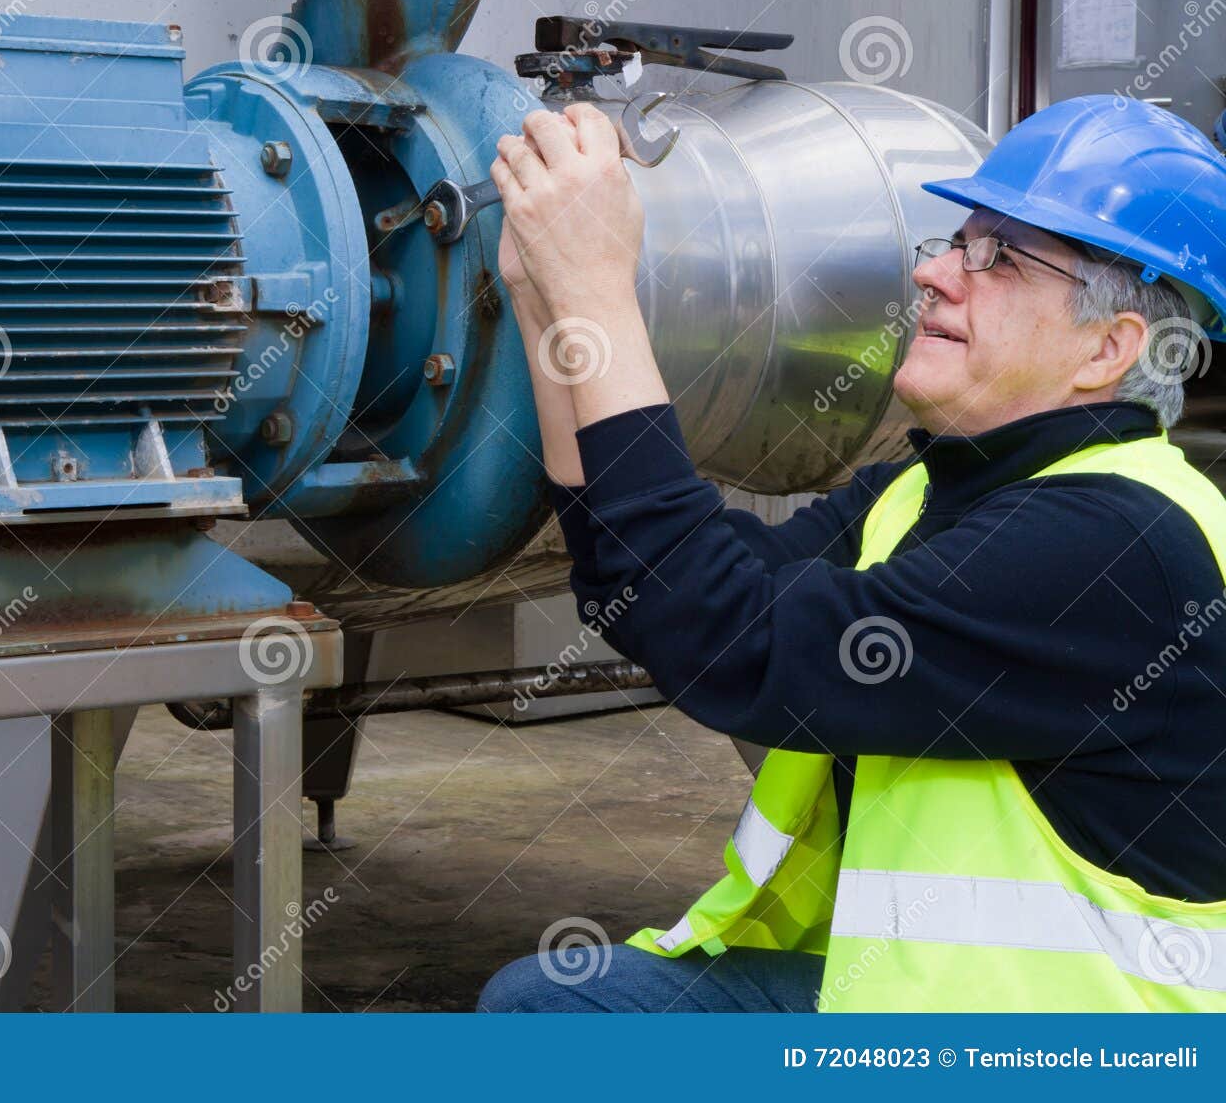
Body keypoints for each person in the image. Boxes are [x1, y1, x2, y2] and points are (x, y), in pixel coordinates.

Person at [477, 95, 1226, 1012]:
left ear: (1109, 348)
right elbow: (646, 587)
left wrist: (599, 288)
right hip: (934, 1013)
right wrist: (547, 297)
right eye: (953, 241)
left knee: (552, 1021)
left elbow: (724, 635)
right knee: (559, 1005)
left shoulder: (1114, 547)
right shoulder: (930, 493)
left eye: (998, 256)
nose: (939, 275)